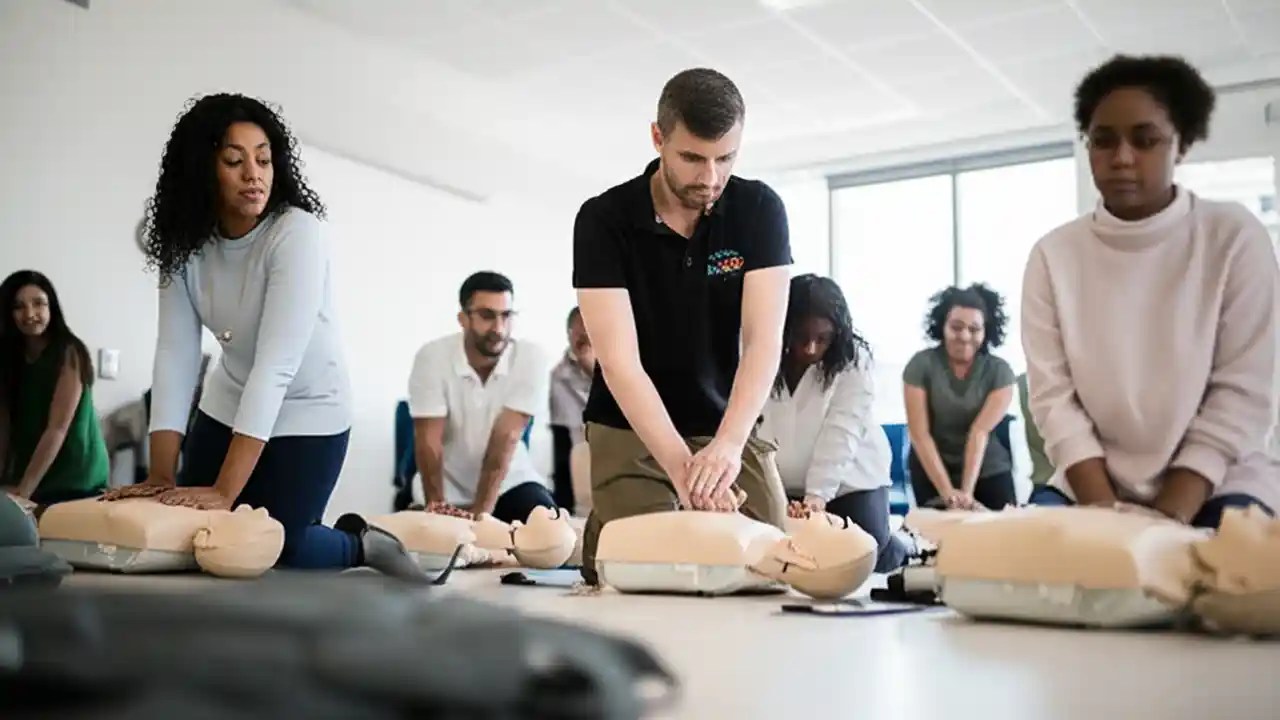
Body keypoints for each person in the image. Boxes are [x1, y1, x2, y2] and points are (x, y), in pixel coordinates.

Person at [101, 93, 426, 582]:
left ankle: (360, 543)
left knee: (277, 546)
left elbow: (277, 365)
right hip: (230, 397)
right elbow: (175, 355)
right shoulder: (184, 244)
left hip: (310, 407)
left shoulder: (296, 233)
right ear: (201, 169)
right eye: (234, 161)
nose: (255, 173)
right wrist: (160, 476)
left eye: (264, 159)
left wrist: (226, 492)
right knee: (197, 533)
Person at [1023, 54, 1280, 527]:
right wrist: (1108, 520)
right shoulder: (1053, 255)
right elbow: (1055, 403)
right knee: (1037, 569)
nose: (1122, 157)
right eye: (1103, 141)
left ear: (1180, 145)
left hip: (1219, 478)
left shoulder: (1233, 237)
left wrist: (1165, 523)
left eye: (1145, 140)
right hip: (1090, 481)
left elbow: (1240, 395)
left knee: (1217, 583)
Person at [573, 68, 792, 584]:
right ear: (658, 138)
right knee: (649, 560)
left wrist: (729, 446)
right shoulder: (604, 219)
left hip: (723, 421)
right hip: (630, 421)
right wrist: (681, 469)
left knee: (766, 558)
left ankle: (613, 522)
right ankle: (606, 530)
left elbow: (763, 342)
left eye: (726, 158)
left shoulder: (760, 210)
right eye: (692, 158)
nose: (710, 178)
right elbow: (619, 361)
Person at [758, 274, 911, 573]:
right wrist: (773, 492)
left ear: (837, 335)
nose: (812, 348)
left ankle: (906, 545)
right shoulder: (760, 351)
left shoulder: (855, 361)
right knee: (778, 555)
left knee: (866, 556)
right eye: (802, 336)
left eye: (823, 339)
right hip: (781, 483)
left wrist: (816, 498)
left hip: (848, 482)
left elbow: (842, 432)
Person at [408, 271, 557, 524]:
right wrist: (437, 508)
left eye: (506, 316)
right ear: (463, 318)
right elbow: (428, 442)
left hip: (510, 482)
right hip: (446, 485)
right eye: (487, 316)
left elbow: (506, 439)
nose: (498, 329)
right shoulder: (431, 357)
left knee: (546, 527)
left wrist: (481, 517)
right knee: (423, 538)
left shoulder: (531, 357)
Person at [0, 271, 109, 506]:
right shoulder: (9, 358)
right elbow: (4, 423)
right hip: (32, 473)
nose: (30, 314)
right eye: (18, 306)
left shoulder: (69, 352)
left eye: (38, 303)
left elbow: (57, 429)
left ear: (52, 308)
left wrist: (23, 492)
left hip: (76, 478)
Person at [903, 284, 1016, 511]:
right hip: (931, 469)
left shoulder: (1000, 372)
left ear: (986, 332)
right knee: (936, 539)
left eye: (974, 329)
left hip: (987, 469)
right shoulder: (920, 365)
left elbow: (979, 431)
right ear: (942, 326)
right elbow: (919, 434)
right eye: (956, 327)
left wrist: (966, 494)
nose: (964, 336)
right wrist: (948, 494)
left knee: (1003, 535)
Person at [548, 306, 593, 512]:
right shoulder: (558, 378)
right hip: (576, 452)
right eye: (581, 336)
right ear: (570, 334)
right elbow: (562, 442)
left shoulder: (623, 366)